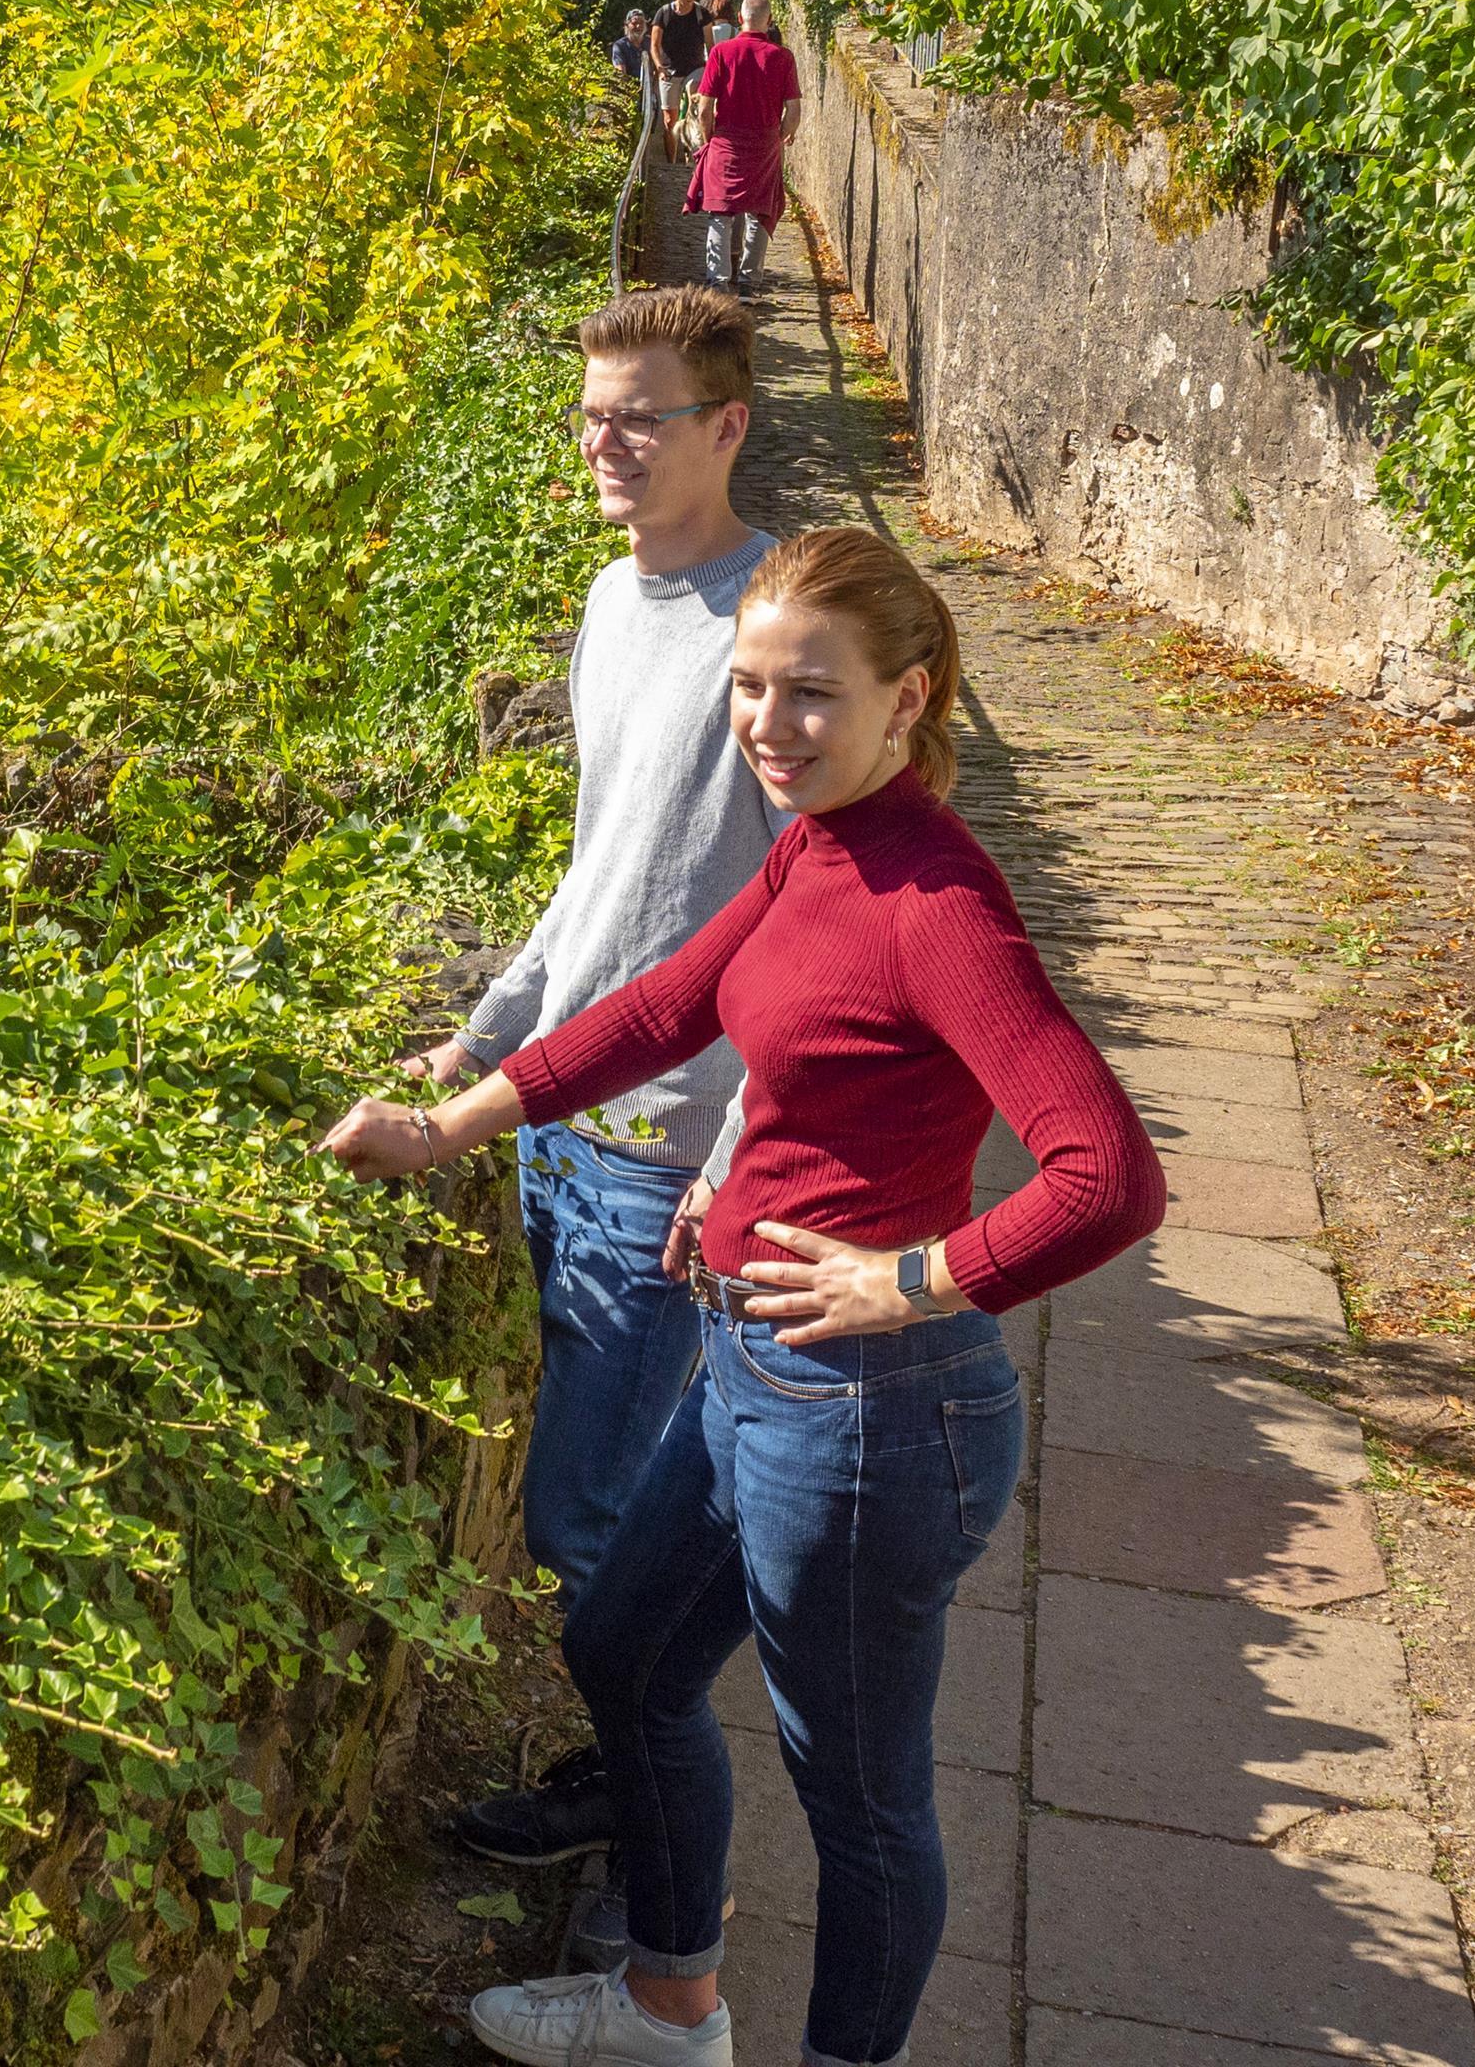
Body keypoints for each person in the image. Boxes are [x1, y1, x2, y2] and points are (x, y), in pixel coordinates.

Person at [323, 527, 1164, 2067]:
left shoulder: (938, 904)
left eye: (811, 693)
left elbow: (1106, 1176)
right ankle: (670, 2010)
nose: (769, 725)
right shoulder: (815, 846)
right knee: (626, 1656)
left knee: (860, 1804)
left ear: (909, 699)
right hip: (749, 1368)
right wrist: (446, 1125)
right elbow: (668, 1005)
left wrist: (917, 1279)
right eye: (750, 686)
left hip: (869, 1419)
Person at [415, 287, 782, 1871]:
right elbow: (602, 867)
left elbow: (824, 923)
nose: (605, 442)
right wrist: (491, 1031)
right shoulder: (611, 600)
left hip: (666, 1146)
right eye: (591, 416)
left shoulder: (775, 633)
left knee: (595, 1519)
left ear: (727, 426)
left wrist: (743, 1144)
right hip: (561, 1117)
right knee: (602, 1505)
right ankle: (633, 1795)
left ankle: (655, 1879)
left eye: (640, 415)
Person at [683, 6, 800, 297]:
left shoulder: (721, 52)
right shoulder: (783, 57)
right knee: (759, 213)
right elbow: (794, 110)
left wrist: (710, 138)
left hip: (726, 142)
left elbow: (705, 107)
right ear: (769, 20)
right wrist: (779, 137)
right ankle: (749, 285)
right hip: (764, 145)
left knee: (720, 213)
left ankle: (718, 283)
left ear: (739, 18)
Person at [647, 0, 713, 128]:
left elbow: (710, 45)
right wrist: (660, 68)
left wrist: (712, 68)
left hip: (695, 68)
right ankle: (673, 142)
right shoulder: (664, 14)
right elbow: (654, 45)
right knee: (670, 121)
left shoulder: (702, 14)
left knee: (694, 96)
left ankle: (694, 136)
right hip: (670, 70)